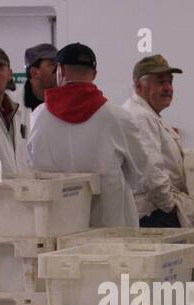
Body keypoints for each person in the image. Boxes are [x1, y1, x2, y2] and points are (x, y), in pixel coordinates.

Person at [27, 43, 149, 228]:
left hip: (57, 228)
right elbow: (139, 173)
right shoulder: (119, 118)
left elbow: (31, 166)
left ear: (60, 71)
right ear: (94, 74)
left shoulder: (37, 118)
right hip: (110, 225)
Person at [122, 54, 194, 228]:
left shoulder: (147, 114)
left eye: (170, 82)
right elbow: (152, 171)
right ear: (139, 86)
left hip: (156, 211)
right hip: (154, 215)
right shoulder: (140, 117)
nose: (168, 88)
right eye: (160, 82)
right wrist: (170, 206)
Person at [23, 43, 58, 111]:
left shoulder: (67, 100)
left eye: (59, 64)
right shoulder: (12, 106)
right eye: (53, 64)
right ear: (34, 73)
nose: (59, 69)